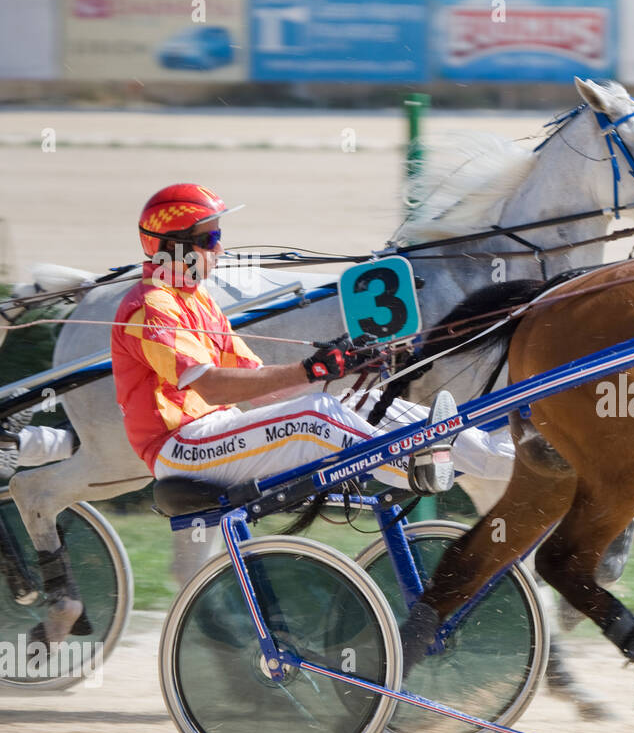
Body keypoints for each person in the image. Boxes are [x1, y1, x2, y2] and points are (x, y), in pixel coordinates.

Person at [12, 183, 515, 647]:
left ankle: (497, 456)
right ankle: (416, 467)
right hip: (182, 449)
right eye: (210, 237)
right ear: (176, 247)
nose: (220, 249)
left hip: (216, 437)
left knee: (360, 400)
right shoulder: (151, 306)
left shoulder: (200, 305)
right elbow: (210, 384)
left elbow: (261, 388)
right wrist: (308, 370)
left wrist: (340, 364)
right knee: (317, 414)